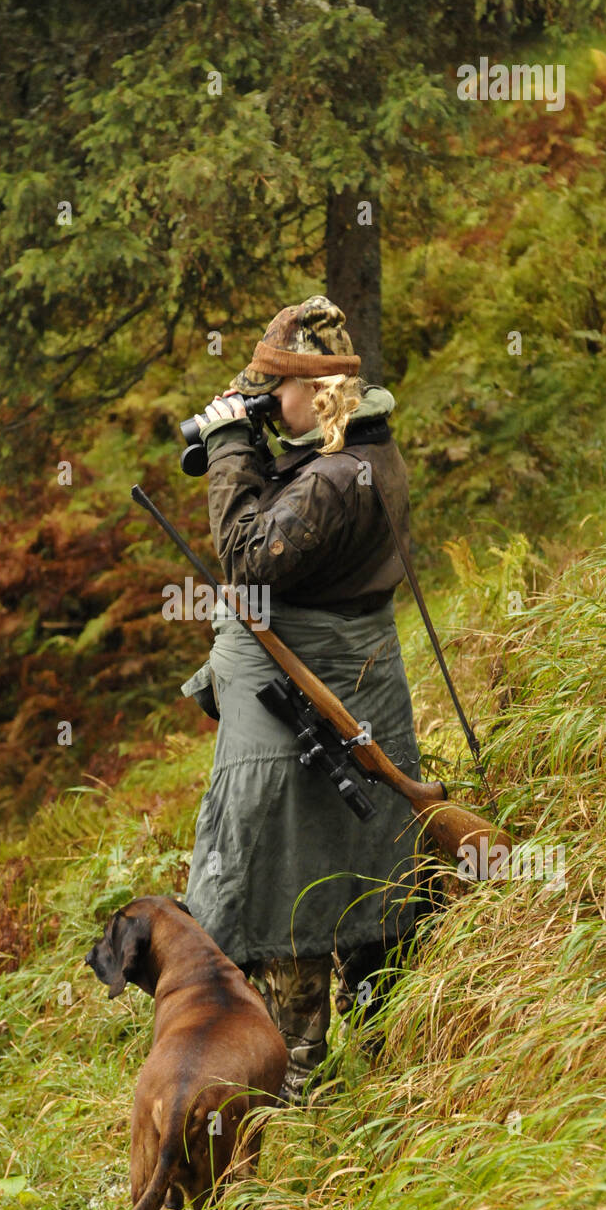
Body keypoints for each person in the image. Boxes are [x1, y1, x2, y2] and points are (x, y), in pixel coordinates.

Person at [180, 295, 424, 1103]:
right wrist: (245, 439)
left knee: (283, 869)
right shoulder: (355, 453)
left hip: (312, 685)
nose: (262, 402)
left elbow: (251, 558)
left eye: (271, 390)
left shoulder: (332, 477)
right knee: (359, 854)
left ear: (315, 389)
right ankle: (384, 1052)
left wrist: (226, 449)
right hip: (351, 682)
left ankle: (293, 1078)